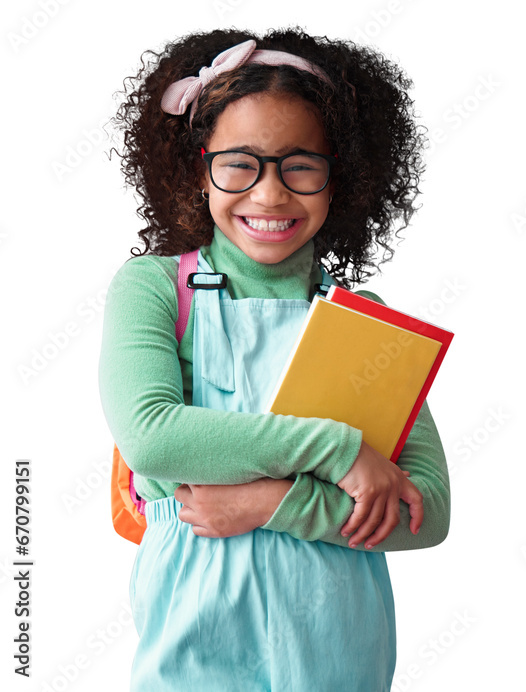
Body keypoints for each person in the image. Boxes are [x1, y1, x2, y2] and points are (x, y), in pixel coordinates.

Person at [99, 27, 450, 691]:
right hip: (192, 652)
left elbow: (425, 509)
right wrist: (339, 453)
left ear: (337, 179)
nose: (268, 194)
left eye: (300, 165)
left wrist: (274, 503)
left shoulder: (359, 317)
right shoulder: (154, 289)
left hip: (339, 657)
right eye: (239, 163)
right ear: (196, 167)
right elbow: (154, 438)